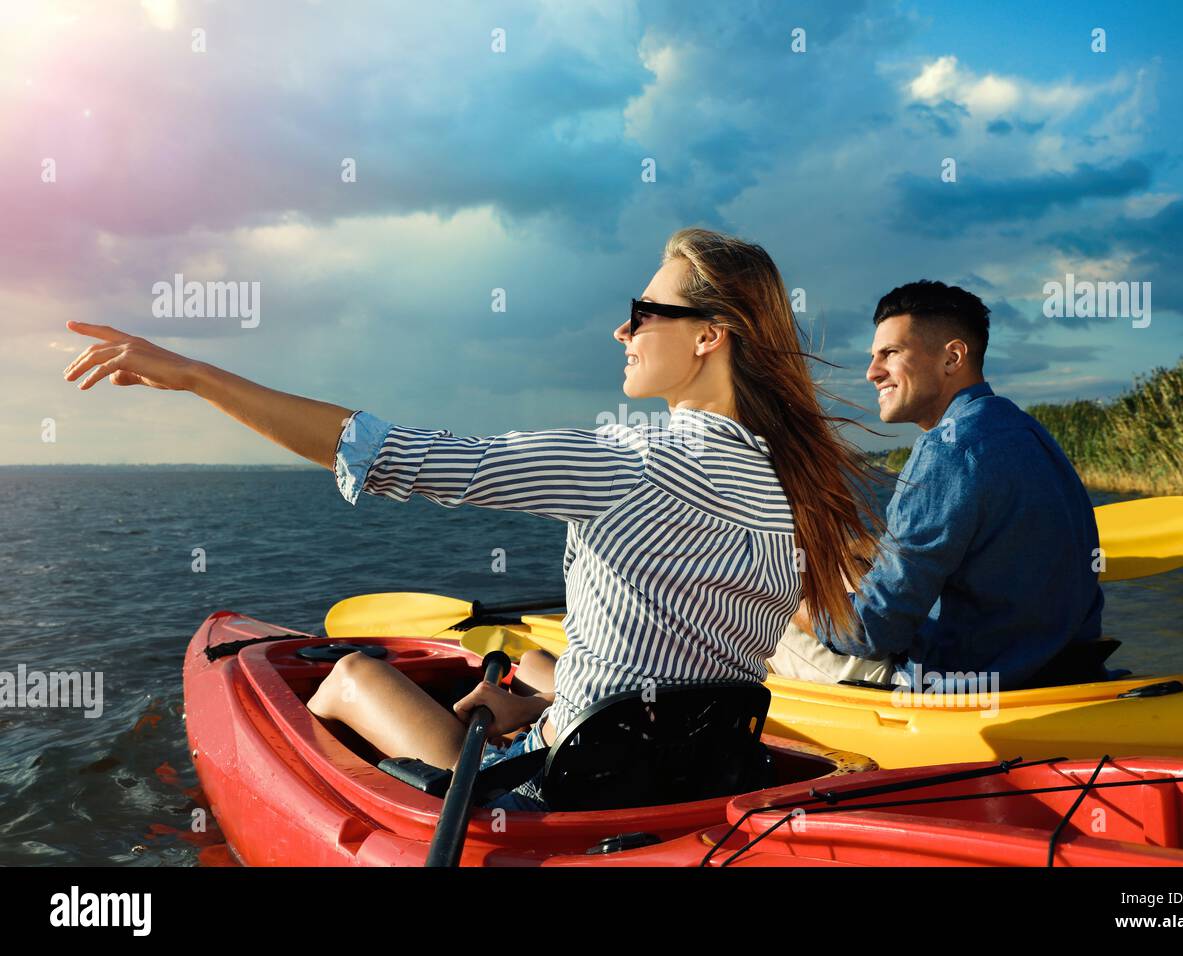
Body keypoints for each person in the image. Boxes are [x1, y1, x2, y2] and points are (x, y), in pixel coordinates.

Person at [61, 228, 883, 810]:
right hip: (682, 775)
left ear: (710, 336)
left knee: (350, 678)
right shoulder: (781, 485)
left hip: (564, 790)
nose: (622, 329)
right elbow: (677, 662)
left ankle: (294, 810)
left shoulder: (631, 458)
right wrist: (548, 693)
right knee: (527, 670)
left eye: (645, 311)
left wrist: (199, 375)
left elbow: (398, 456)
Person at [767, 280, 1105, 692]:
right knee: (848, 568)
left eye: (890, 353)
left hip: (963, 685)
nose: (873, 372)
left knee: (766, 624)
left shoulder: (946, 451)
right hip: (1055, 671)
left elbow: (872, 633)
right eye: (874, 356)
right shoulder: (1026, 431)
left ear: (952, 357)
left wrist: (791, 603)